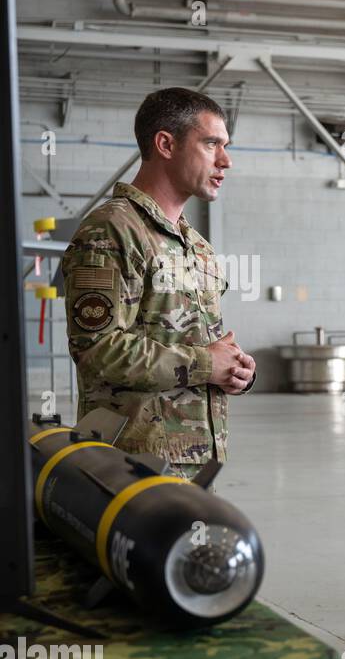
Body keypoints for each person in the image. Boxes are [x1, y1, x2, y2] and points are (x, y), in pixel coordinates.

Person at [61, 87, 255, 482]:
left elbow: (201, 346)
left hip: (196, 461)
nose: (226, 160)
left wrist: (234, 368)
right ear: (166, 144)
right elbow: (97, 348)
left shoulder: (196, 247)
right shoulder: (111, 231)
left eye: (226, 146)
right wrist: (206, 363)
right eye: (211, 144)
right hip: (132, 466)